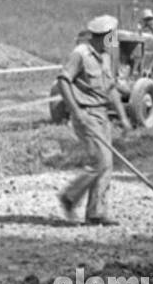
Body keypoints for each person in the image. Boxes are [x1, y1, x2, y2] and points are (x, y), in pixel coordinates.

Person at [57, 14, 133, 226]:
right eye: (113, 36)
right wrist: (76, 111)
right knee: (99, 162)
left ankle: (96, 213)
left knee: (106, 165)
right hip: (86, 115)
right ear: (105, 36)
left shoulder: (106, 57)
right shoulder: (80, 54)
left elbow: (111, 89)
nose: (115, 40)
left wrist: (124, 117)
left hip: (102, 116)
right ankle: (70, 197)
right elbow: (63, 81)